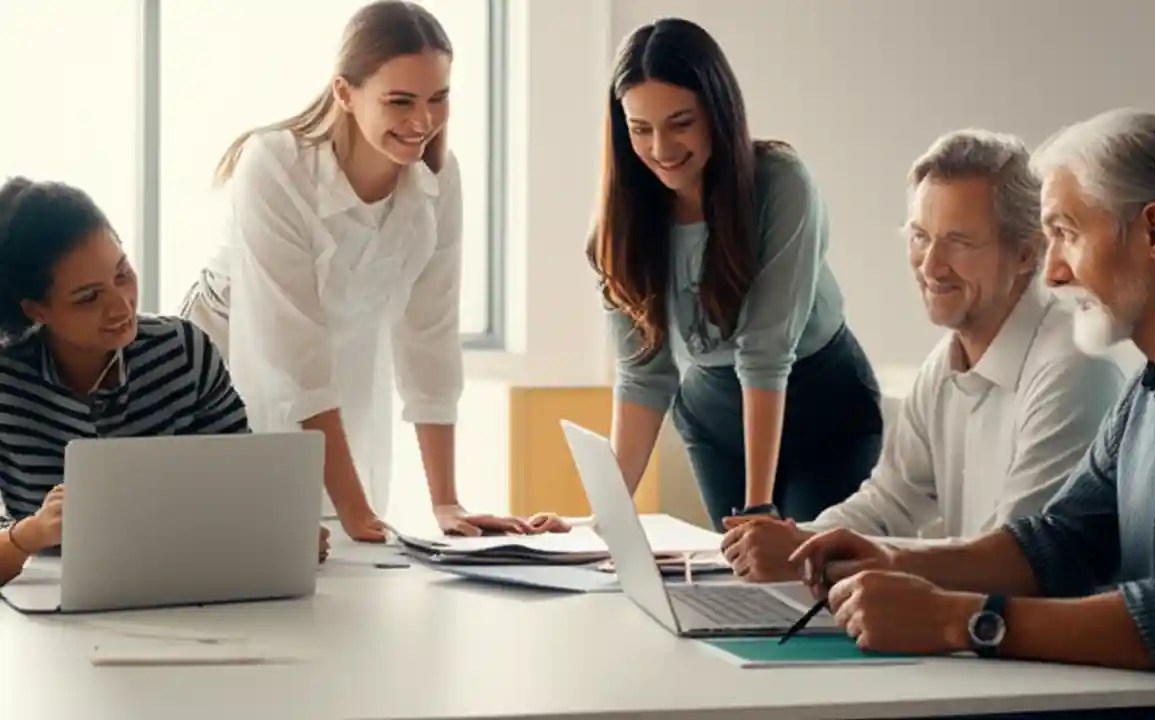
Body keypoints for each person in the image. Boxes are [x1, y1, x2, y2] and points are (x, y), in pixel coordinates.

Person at [792, 110, 1155, 716]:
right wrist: (892, 558)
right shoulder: (1149, 391)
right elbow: (1057, 541)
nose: (1052, 272)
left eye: (1067, 234)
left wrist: (956, 619)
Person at [182, 1, 563, 540]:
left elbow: (429, 335)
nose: (422, 122)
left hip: (342, 376)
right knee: (237, 544)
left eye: (438, 99)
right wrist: (355, 511)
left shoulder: (438, 179)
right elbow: (293, 359)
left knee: (346, 555)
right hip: (231, 372)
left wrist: (447, 504)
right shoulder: (273, 166)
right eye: (399, 101)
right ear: (344, 93)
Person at [720, 130, 1124, 581]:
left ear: (1027, 252)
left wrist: (807, 555)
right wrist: (792, 545)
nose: (930, 265)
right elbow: (888, 502)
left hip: (1034, 641)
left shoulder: (1075, 368)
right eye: (919, 237)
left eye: (958, 242)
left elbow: (1014, 560)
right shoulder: (945, 363)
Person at [590, 17, 883, 531]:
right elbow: (644, 374)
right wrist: (607, 519)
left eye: (681, 123)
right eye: (641, 129)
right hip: (714, 418)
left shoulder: (781, 184)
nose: (661, 149)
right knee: (740, 587)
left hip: (822, 409)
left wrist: (757, 507)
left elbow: (765, 351)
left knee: (808, 585)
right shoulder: (617, 228)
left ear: (716, 113)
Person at [0, 178, 329, 586]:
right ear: (37, 311)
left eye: (122, 274)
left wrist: (282, 531)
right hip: (50, 599)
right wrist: (28, 534)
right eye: (88, 297)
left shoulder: (183, 351)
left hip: (186, 586)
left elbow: (243, 484)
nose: (121, 306)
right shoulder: (9, 383)